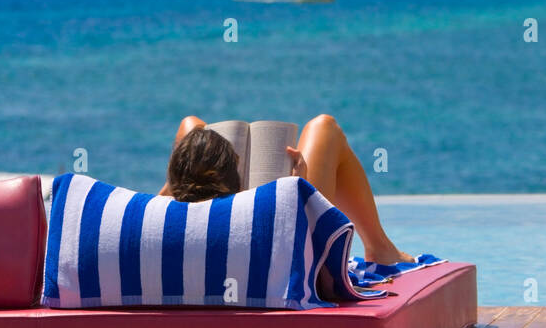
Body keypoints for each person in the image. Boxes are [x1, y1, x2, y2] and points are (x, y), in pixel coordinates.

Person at [159, 114, 414, 266]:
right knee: (324, 127)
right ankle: (380, 247)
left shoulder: (147, 227)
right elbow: (322, 260)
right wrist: (299, 189)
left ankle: (196, 180)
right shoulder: (275, 238)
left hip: (196, 228)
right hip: (274, 253)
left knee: (192, 127)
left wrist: (178, 180)